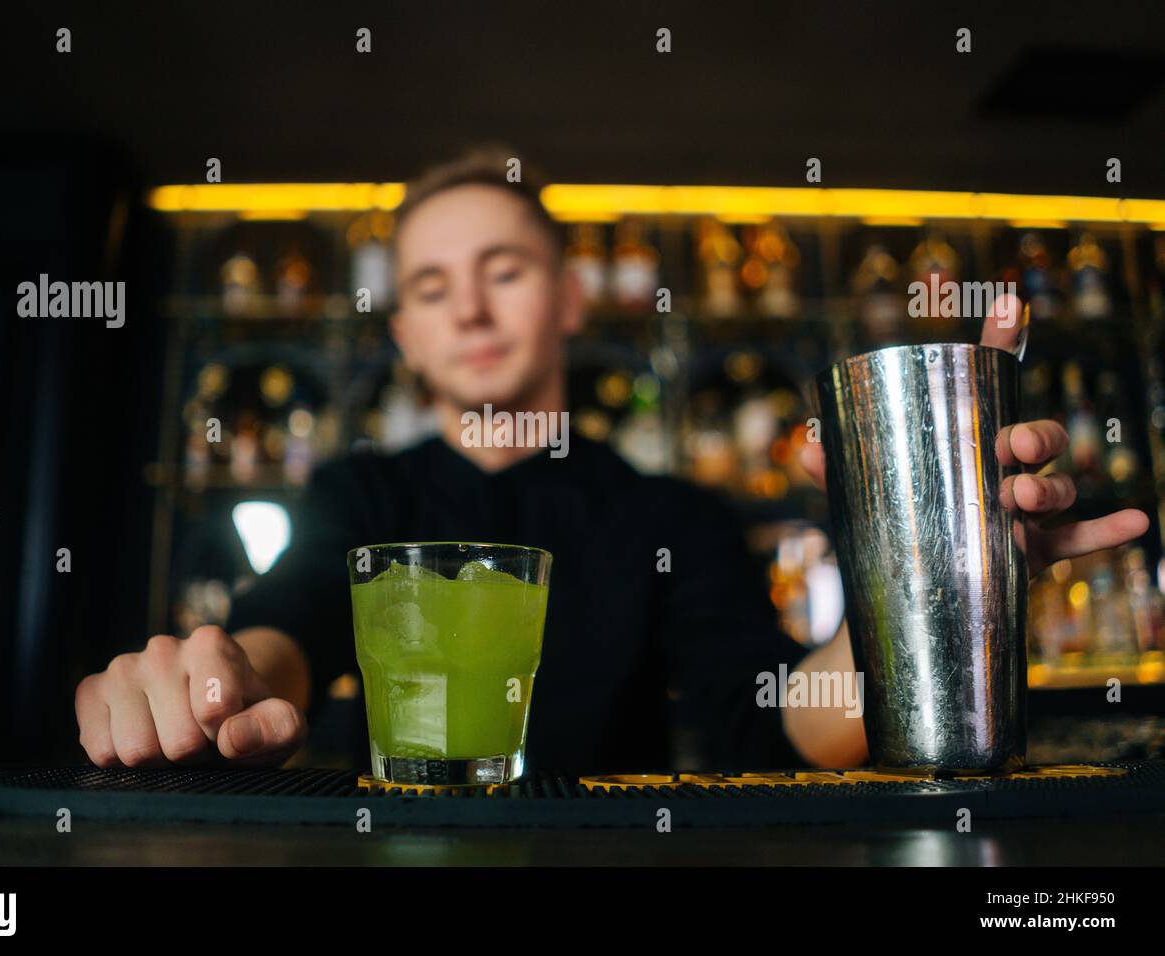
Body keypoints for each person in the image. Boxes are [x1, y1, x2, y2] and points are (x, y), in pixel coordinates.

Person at [74, 149, 1149, 773]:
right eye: (433, 286)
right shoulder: (361, 494)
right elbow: (289, 629)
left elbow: (775, 719)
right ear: (401, 331)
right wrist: (212, 682)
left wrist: (927, 571)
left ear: (569, 298)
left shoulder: (668, 514)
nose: (474, 306)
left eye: (504, 269)